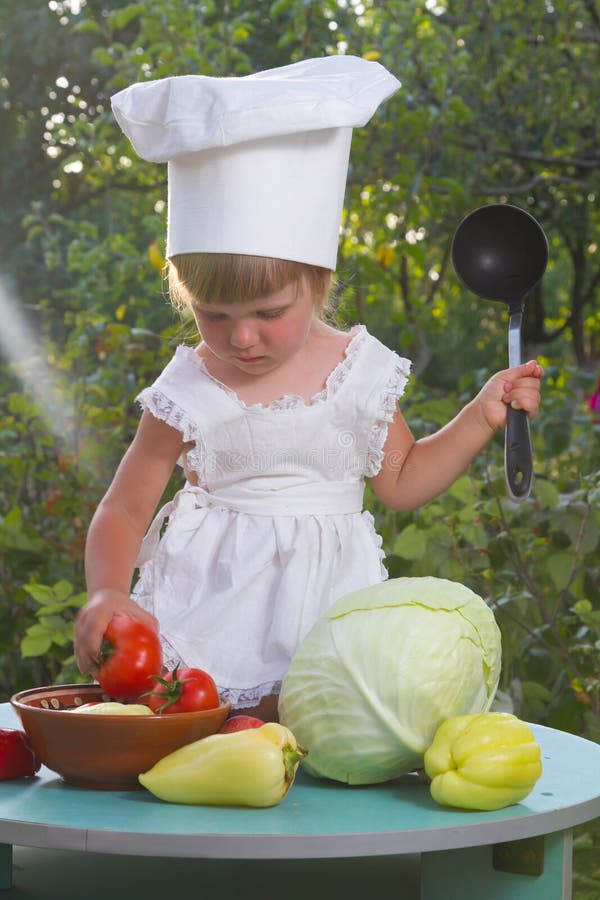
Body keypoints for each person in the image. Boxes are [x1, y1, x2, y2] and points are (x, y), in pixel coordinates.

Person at [74, 57, 543, 721]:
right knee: (206, 752)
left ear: (317, 284)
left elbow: (402, 479)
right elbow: (124, 508)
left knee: (321, 751)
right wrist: (105, 594)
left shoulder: (359, 372)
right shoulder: (191, 383)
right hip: (206, 621)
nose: (240, 339)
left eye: (268, 312)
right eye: (213, 314)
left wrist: (481, 414)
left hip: (327, 621)